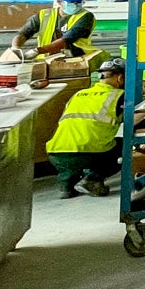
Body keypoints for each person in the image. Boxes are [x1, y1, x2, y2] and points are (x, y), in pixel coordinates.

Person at [47, 57, 125, 199]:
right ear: (120, 78)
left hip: (56, 152)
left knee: (72, 160)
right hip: (86, 152)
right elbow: (133, 120)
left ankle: (67, 185)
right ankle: (93, 179)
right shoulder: (119, 95)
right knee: (124, 146)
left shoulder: (78, 94)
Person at [12, 0, 96, 58]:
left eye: (79, 2)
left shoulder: (86, 16)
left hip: (76, 59)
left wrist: (37, 51)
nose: (76, 5)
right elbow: (24, 33)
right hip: (45, 59)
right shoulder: (44, 15)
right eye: (71, 2)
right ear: (59, 1)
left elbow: (66, 40)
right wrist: (15, 47)